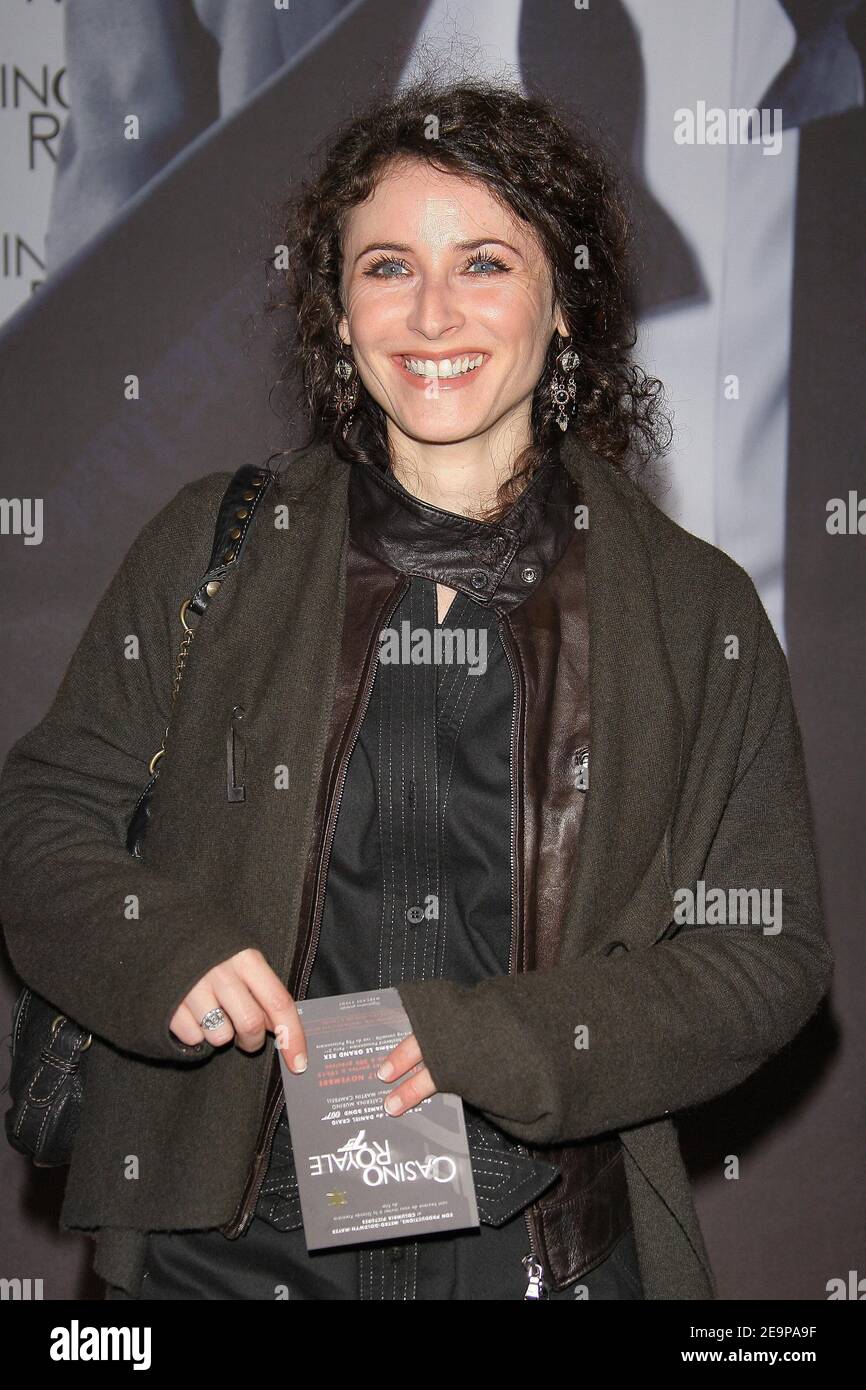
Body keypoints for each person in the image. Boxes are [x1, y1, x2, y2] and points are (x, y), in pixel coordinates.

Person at [0, 78, 833, 1301]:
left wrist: (485, 1043)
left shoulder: (690, 610)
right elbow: (42, 820)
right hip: (226, 1253)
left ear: (563, 303)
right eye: (386, 267)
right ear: (339, 313)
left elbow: (764, 953)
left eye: (484, 262)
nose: (431, 312)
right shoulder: (214, 548)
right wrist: (162, 946)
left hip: (540, 1249)